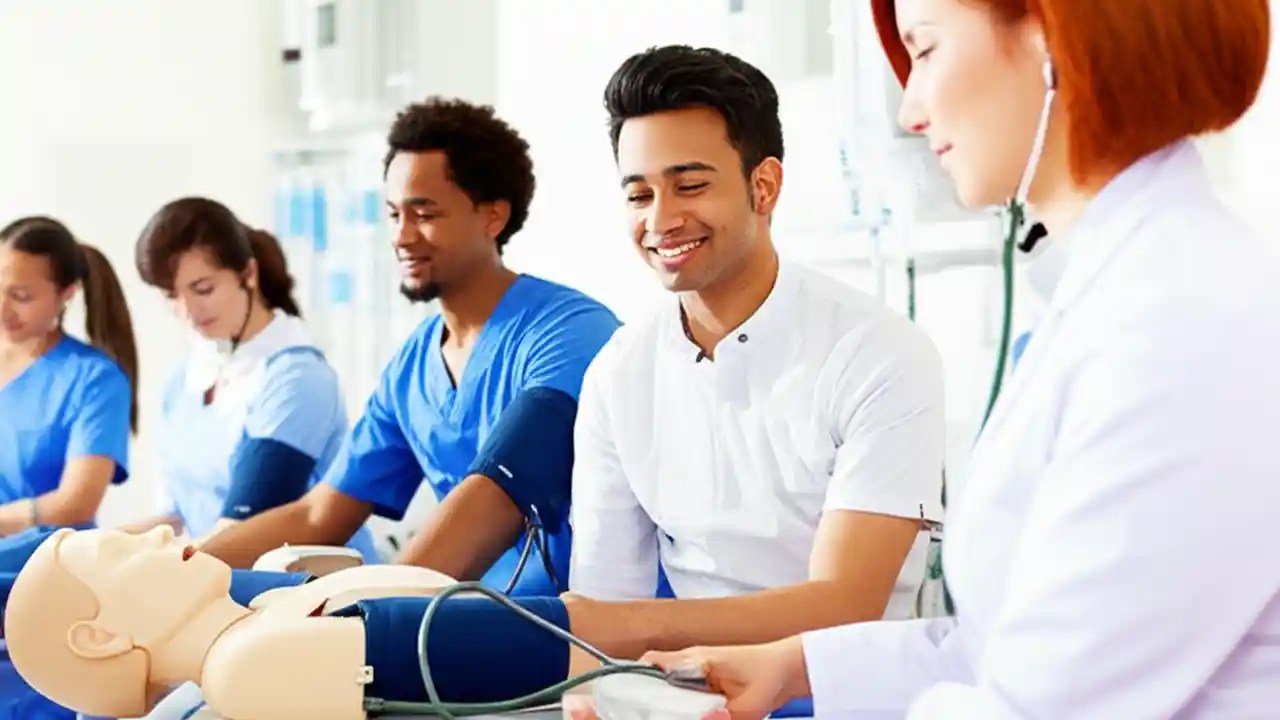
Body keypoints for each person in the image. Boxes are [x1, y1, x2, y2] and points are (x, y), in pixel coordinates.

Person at [641, 1, 1279, 718]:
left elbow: (1037, 707)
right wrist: (791, 668)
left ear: (1050, 39)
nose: (911, 111)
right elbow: (1005, 645)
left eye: (926, 50)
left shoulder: (1179, 322)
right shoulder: (1114, 290)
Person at [563, 45, 946, 660]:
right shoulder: (619, 371)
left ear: (763, 185)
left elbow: (845, 605)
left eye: (689, 186)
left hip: (837, 693)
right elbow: (603, 601)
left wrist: (641, 629)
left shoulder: (877, 353)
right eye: (638, 196)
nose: (661, 220)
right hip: (684, 694)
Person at [198, 98, 621, 597]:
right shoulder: (412, 369)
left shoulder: (569, 332)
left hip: (581, 628)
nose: (401, 235)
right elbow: (321, 514)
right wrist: (181, 568)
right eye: (394, 213)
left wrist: (360, 610)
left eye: (424, 213)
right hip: (471, 617)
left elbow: (499, 495)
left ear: (493, 216)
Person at [124, 197, 378, 561]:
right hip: (215, 575)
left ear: (248, 275)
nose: (188, 312)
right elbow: (173, 518)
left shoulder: (297, 377)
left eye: (203, 289)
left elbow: (245, 523)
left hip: (306, 592)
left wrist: (151, 571)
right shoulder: (186, 379)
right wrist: (85, 550)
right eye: (171, 296)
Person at [0, 216, 139, 719]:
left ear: (66, 293)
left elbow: (76, 501)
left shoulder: (93, 379)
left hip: (48, 587)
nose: (2, 308)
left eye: (21, 295)